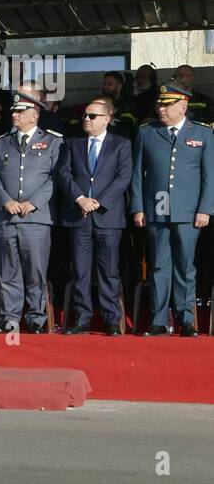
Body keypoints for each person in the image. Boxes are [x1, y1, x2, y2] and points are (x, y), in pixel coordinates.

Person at [130, 86, 214, 336]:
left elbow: (210, 175)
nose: (161, 109)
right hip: (157, 209)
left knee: (185, 266)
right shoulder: (147, 132)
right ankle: (158, 319)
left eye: (167, 104)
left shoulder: (203, 133)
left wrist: (205, 209)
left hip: (189, 212)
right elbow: (137, 175)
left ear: (183, 106)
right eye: (159, 104)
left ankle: (185, 318)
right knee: (158, 265)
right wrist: (138, 207)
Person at [0, 88, 64, 334]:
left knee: (36, 272)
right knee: (7, 272)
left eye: (20, 111)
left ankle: (36, 319)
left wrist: (34, 203)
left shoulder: (53, 141)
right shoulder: (1, 142)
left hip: (36, 218)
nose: (14, 115)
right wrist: (5, 200)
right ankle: (10, 318)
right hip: (6, 217)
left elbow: (55, 178)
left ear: (35, 114)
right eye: (14, 111)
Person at [57, 98, 131, 335]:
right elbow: (64, 173)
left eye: (92, 116)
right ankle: (82, 318)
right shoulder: (72, 143)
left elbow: (123, 177)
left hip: (107, 217)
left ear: (107, 119)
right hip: (79, 216)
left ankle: (111, 319)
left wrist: (100, 202)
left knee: (108, 271)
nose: (86, 120)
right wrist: (80, 199)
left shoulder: (121, 144)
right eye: (85, 116)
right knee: (80, 270)